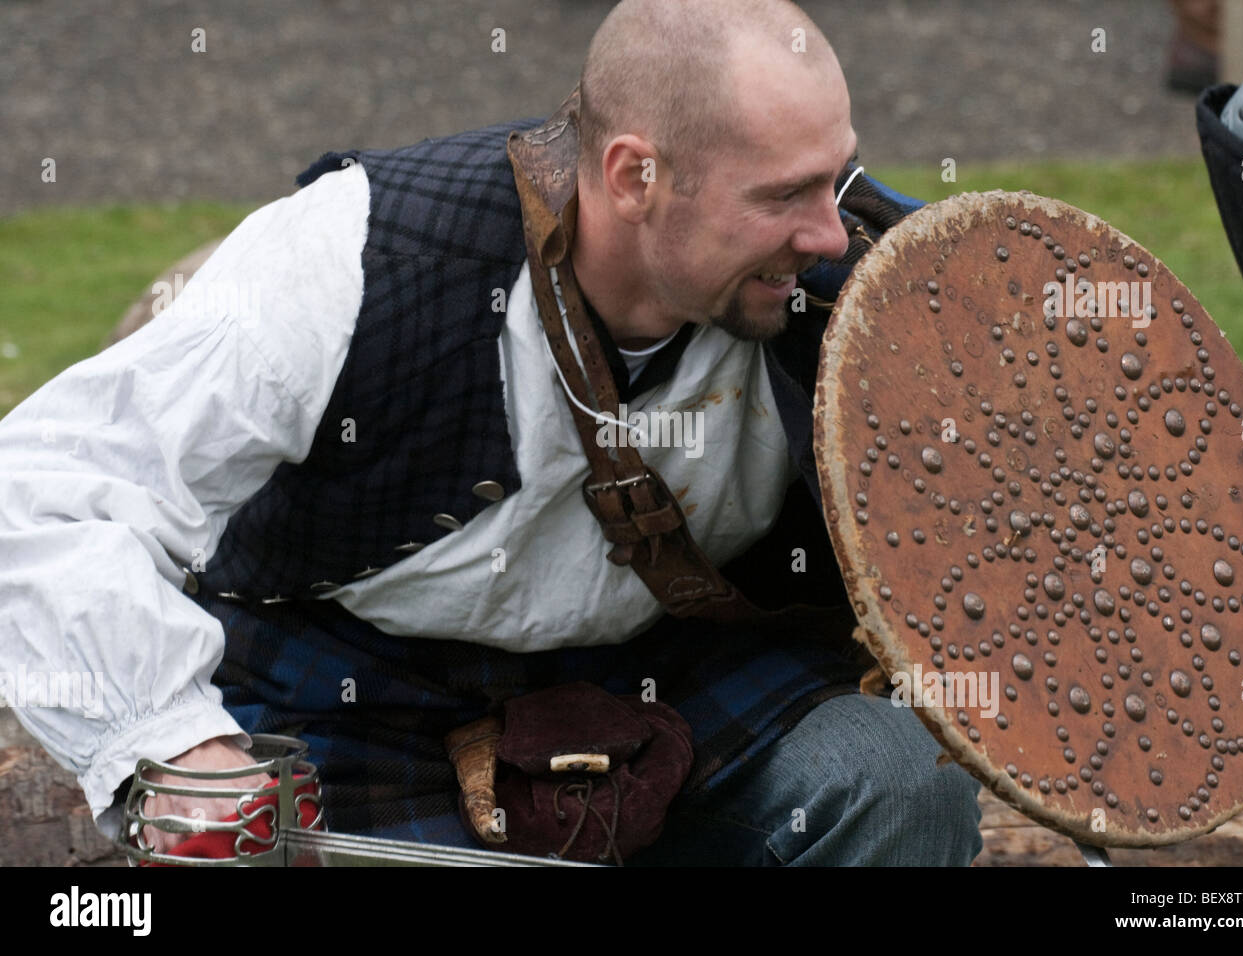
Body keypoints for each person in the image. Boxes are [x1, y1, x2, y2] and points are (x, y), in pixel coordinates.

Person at [0, 0, 983, 865]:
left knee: (893, 781)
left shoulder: (866, 282)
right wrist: (169, 743)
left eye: (834, 176)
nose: (826, 229)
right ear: (634, 175)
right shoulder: (353, 258)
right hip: (351, 687)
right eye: (780, 196)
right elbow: (45, 482)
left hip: (687, 666)